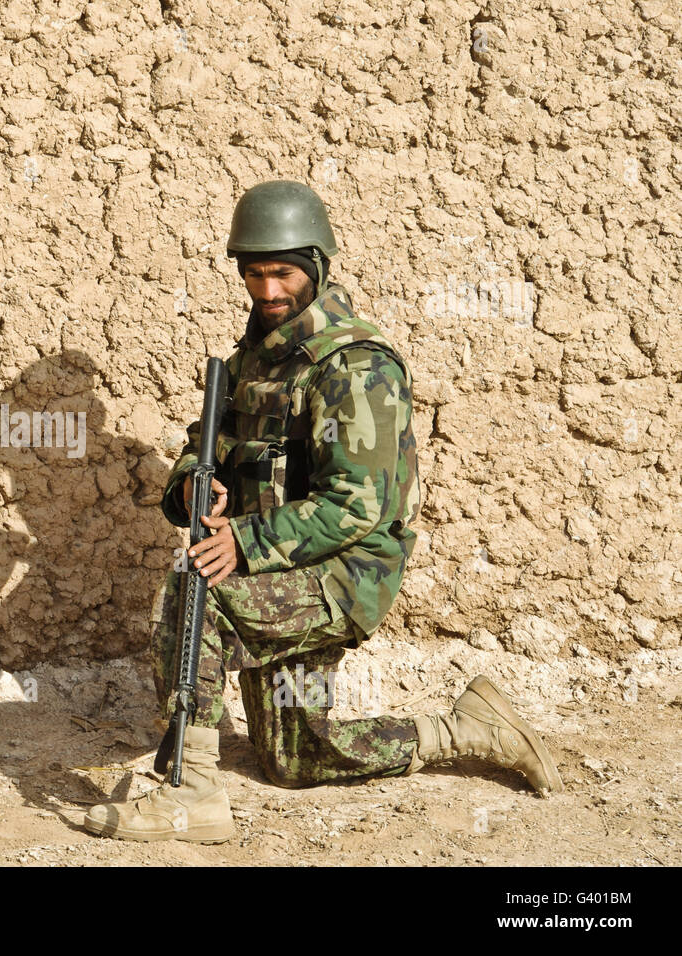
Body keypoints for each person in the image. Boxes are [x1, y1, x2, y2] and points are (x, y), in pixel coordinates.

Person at [84, 180, 563, 844]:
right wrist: (196, 484)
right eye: (253, 274)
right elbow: (200, 450)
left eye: (281, 272)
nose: (268, 289)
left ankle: (191, 796)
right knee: (296, 760)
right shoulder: (251, 361)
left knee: (199, 592)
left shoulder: (357, 367)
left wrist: (244, 543)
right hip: (283, 570)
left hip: (343, 574)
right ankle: (470, 731)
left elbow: (357, 506)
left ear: (316, 265)